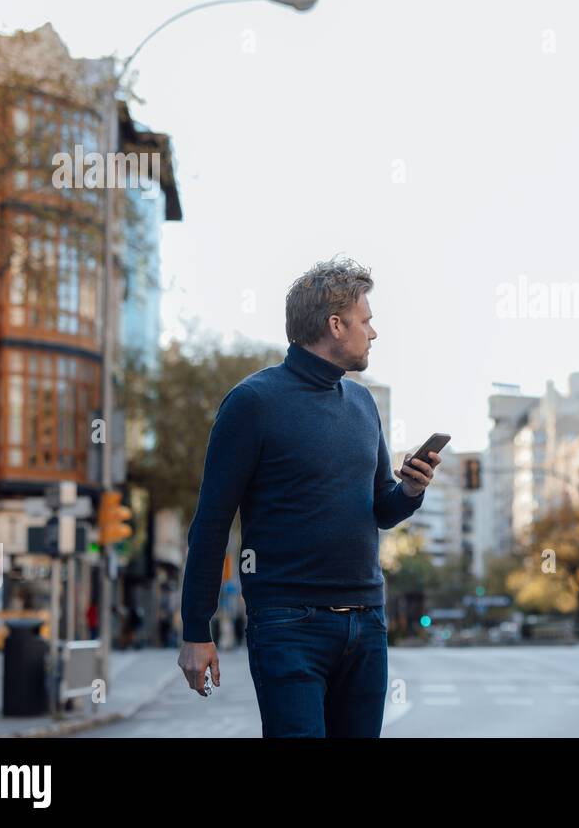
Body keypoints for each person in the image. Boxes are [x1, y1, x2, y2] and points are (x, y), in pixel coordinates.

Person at [177, 258, 438, 737]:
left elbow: (381, 507)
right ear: (336, 326)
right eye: (366, 320)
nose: (374, 333)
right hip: (287, 623)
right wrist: (196, 630)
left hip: (366, 623)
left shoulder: (363, 405)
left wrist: (411, 490)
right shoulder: (253, 402)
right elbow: (212, 523)